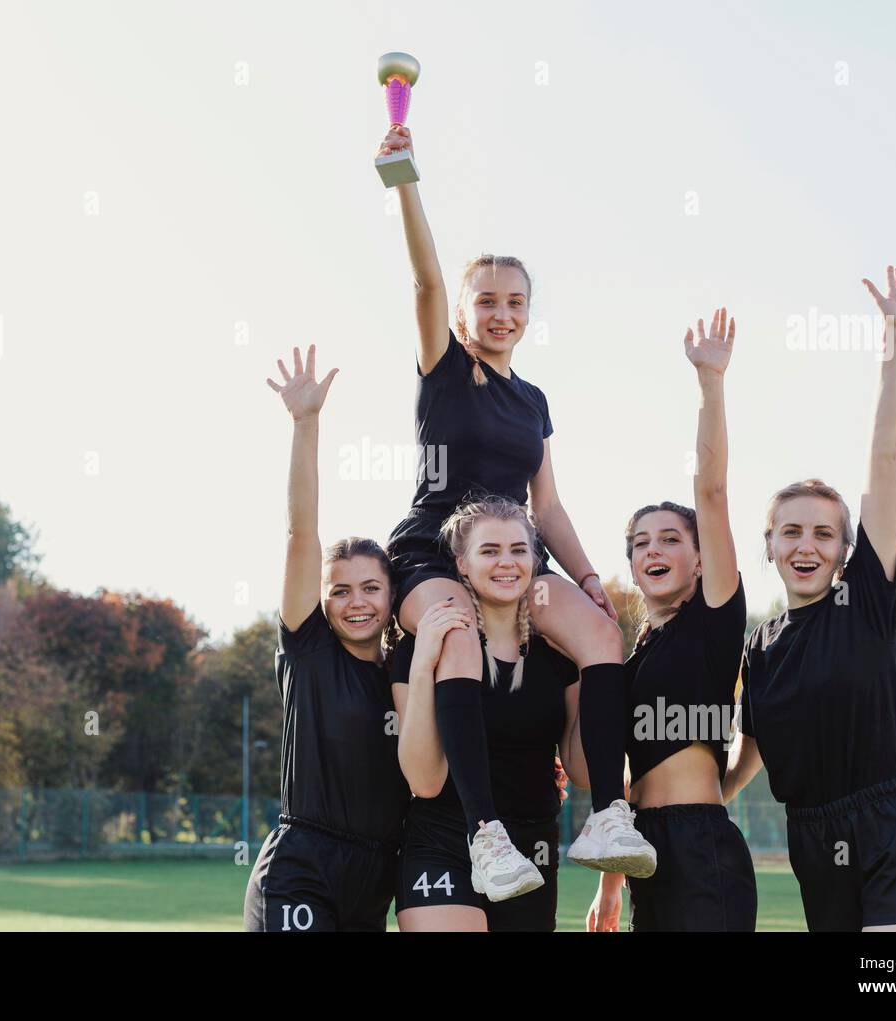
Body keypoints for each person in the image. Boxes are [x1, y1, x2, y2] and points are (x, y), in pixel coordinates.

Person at [376, 123, 655, 901]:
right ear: (466, 312)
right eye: (487, 301)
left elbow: (550, 504)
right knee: (456, 633)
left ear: (529, 312)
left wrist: (593, 575)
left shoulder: (532, 400)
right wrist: (405, 181)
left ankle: (604, 814)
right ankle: (486, 835)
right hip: (434, 554)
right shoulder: (446, 370)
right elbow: (426, 282)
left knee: (602, 635)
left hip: (514, 556)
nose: (502, 314)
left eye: (515, 302)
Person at [723, 268, 896, 931]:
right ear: (768, 544)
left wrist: (895, 338)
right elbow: (754, 752)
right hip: (815, 845)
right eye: (791, 530)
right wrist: (699, 798)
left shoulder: (868, 602)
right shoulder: (760, 647)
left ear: (845, 547)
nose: (807, 544)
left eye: (824, 532)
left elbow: (883, 459)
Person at [585, 308, 756, 932]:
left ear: (701, 556)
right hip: (644, 849)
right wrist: (611, 885)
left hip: (700, 845)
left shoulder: (713, 620)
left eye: (668, 539)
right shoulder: (633, 657)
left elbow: (711, 493)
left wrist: (710, 383)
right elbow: (625, 781)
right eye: (640, 543)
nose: (652, 550)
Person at [243, 345, 410, 931]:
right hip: (302, 862)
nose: (356, 601)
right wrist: (306, 424)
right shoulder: (308, 650)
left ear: (392, 598)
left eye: (371, 588)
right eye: (340, 590)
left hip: (376, 873)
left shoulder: (407, 677)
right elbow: (300, 532)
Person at [391, 495, 590, 931]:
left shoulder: (558, 656)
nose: (507, 562)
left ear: (535, 561)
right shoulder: (424, 645)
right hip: (444, 839)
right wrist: (424, 664)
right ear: (461, 564)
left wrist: (593, 663)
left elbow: (583, 772)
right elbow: (424, 781)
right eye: (489, 550)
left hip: (532, 845)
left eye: (519, 550)